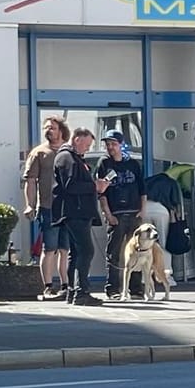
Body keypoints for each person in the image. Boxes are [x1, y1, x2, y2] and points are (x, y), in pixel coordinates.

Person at [52, 128, 103, 306]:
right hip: (75, 212)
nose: (88, 149)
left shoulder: (74, 158)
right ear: (76, 140)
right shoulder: (67, 158)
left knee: (77, 252)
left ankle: (73, 291)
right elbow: (70, 186)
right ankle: (81, 291)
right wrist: (94, 186)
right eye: (87, 144)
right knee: (86, 250)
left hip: (79, 212)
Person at [22, 116, 69, 300]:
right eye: (46, 128)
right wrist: (30, 205)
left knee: (65, 249)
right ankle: (48, 286)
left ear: (61, 130)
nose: (49, 131)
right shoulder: (39, 153)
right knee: (49, 248)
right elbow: (30, 181)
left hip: (68, 208)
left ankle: (66, 285)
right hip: (48, 207)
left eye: (52, 128)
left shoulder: (68, 151)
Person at [97, 130, 146, 300]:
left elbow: (142, 188)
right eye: (108, 144)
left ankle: (136, 288)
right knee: (114, 253)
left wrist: (142, 209)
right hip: (116, 214)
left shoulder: (133, 164)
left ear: (121, 144)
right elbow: (101, 193)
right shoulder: (104, 163)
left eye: (113, 144)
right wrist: (108, 214)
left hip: (134, 213)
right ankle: (113, 289)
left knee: (136, 252)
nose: (110, 147)